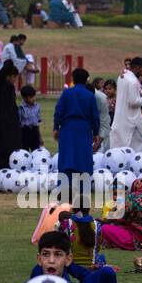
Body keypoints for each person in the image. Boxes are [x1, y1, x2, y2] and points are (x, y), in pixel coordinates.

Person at [53, 67, 99, 206]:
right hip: (84, 130)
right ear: (86, 80)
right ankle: (82, 197)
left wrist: (56, 127)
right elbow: (95, 116)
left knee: (66, 161)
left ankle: (63, 195)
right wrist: (95, 133)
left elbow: (59, 111)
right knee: (83, 162)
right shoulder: (90, 95)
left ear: (72, 79)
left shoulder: (67, 93)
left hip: (67, 129)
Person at [100, 176, 142, 250]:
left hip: (139, 240)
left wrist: (103, 220)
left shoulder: (134, 196)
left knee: (105, 228)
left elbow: (117, 216)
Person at [111, 57, 142, 153]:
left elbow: (126, 94)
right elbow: (133, 102)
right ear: (137, 67)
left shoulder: (121, 77)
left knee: (122, 146)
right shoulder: (132, 81)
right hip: (132, 117)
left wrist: (141, 92)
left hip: (120, 117)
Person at [0, 61, 22, 177]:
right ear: (8, 76)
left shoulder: (10, 87)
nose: (15, 79)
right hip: (3, 121)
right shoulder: (1, 87)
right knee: (2, 148)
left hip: (12, 122)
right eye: (14, 77)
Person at [18, 84, 42, 151]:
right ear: (24, 98)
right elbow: (18, 124)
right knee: (24, 150)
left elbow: (37, 123)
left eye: (34, 96)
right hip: (25, 132)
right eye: (31, 97)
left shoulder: (37, 107)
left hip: (35, 131)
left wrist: (40, 137)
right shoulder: (21, 108)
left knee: (36, 151)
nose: (33, 98)